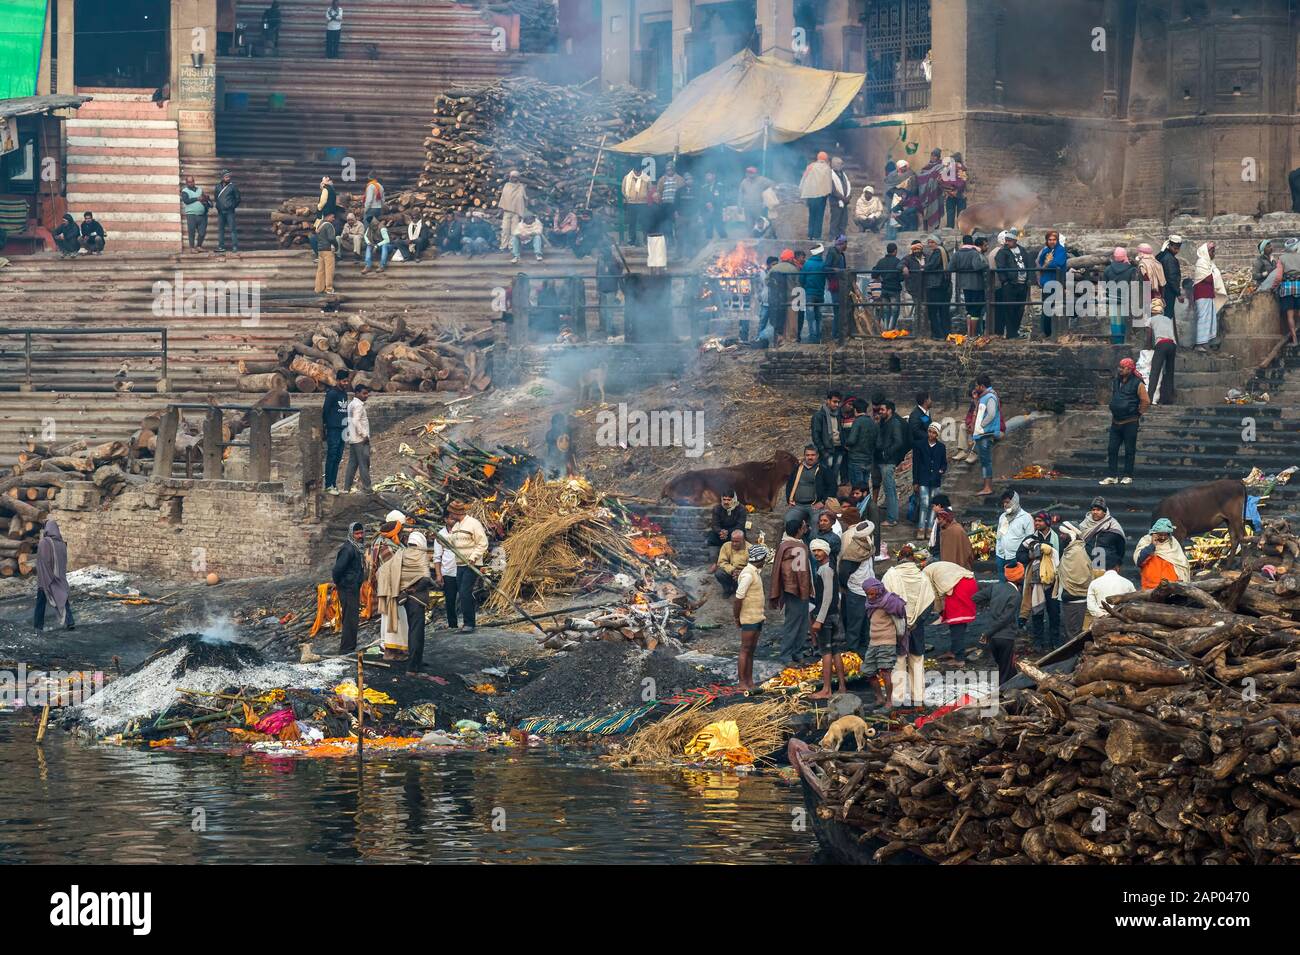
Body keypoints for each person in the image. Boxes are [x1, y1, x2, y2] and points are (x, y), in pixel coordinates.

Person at [881, 545, 935, 706]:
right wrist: (916, 622)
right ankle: (918, 697)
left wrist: (900, 621)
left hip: (897, 625)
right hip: (917, 626)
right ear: (913, 558)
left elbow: (884, 601)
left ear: (899, 559)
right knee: (917, 660)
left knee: (898, 660)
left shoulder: (890, 575)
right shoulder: (922, 577)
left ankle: (897, 698)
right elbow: (929, 602)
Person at [768, 516, 813, 666]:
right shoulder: (796, 547)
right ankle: (787, 655)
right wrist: (798, 587)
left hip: (796, 589)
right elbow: (794, 570)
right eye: (804, 526)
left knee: (801, 622)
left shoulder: (787, 545)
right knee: (794, 623)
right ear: (799, 529)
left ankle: (797, 652)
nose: (806, 528)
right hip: (796, 590)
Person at [1015, 511, 1061, 651]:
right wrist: (1031, 555)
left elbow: (1063, 556)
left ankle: (1055, 641)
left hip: (1053, 581)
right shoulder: (1030, 539)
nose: (1036, 523)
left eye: (1040, 521)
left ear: (1047, 522)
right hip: (1036, 582)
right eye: (1036, 521)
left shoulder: (1057, 539)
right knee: (1037, 611)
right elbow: (1019, 556)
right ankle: (1038, 641)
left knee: (1054, 612)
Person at [1101, 356, 1149, 486]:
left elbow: (1146, 401)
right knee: (1112, 448)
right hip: (1116, 421)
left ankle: (1128, 475)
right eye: (1119, 367)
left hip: (1130, 422)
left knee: (1129, 449)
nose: (1120, 370)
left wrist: (1138, 413)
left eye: (1123, 368)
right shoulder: (1116, 381)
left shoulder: (1138, 383)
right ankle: (1112, 475)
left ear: (1130, 369)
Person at [808, 538, 846, 700]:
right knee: (836, 651)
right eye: (814, 551)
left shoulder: (825, 570)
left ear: (826, 551)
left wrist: (819, 620)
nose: (816, 553)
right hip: (834, 615)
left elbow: (828, 596)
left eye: (819, 550)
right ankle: (842, 686)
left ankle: (826, 689)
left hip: (827, 617)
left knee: (827, 652)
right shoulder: (829, 566)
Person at [861, 578, 906, 708]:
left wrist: (899, 637)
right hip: (873, 641)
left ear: (879, 590)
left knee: (885, 671)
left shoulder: (890, 601)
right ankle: (879, 698)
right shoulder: (870, 603)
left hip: (887, 641)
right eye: (868, 594)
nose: (871, 596)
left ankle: (889, 701)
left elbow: (900, 617)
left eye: (873, 593)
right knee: (868, 671)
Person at [923, 560, 978, 665]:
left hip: (959, 587)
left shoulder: (925, 573)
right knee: (958, 622)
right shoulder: (938, 566)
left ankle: (959, 658)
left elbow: (934, 595)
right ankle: (955, 651)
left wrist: (940, 611)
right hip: (969, 582)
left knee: (956, 623)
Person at [447, 500, 489, 633]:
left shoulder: (473, 524)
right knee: (463, 592)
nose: (449, 515)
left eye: (450, 512)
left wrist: (473, 557)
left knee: (465, 591)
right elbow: (451, 543)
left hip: (472, 564)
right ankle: (468, 622)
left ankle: (469, 624)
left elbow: (483, 543)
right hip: (460, 564)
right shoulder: (456, 526)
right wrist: (439, 539)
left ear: (455, 513)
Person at [974, 568, 1020, 684]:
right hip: (1006, 637)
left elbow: (976, 597)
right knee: (1006, 672)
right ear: (1019, 578)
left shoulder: (996, 587)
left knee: (1002, 668)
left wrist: (992, 605)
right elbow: (1005, 618)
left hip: (993, 638)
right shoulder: (1015, 594)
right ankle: (1004, 695)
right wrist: (987, 633)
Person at [733, 544, 768, 691]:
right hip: (748, 618)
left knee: (751, 651)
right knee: (745, 649)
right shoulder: (748, 574)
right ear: (760, 559)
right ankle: (742, 683)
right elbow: (738, 598)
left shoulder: (755, 572)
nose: (765, 560)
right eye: (764, 558)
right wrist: (736, 618)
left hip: (757, 617)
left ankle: (750, 681)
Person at [398, 531, 433, 672]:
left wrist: (404, 588)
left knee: (414, 629)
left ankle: (417, 661)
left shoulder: (402, 553)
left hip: (405, 598)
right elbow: (425, 578)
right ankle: (412, 666)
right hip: (416, 598)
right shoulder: (421, 556)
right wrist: (416, 588)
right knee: (416, 632)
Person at [1054, 522, 1095, 641]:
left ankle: (1075, 659)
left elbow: (1082, 578)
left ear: (1071, 534)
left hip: (1075, 600)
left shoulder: (1076, 552)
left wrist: (1069, 590)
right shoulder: (1070, 550)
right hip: (1070, 598)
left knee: (1074, 635)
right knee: (1072, 633)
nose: (1061, 536)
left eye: (1063, 534)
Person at [332, 521, 365, 653]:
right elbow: (337, 570)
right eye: (357, 533)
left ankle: (350, 646)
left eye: (361, 532)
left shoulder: (357, 547)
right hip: (347, 588)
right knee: (349, 618)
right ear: (351, 534)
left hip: (353, 587)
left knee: (352, 617)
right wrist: (343, 584)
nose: (360, 535)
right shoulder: (348, 549)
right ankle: (346, 649)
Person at [34, 519, 72, 631]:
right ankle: (70, 622)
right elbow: (63, 561)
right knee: (63, 598)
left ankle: (38, 626)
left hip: (46, 578)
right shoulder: (62, 543)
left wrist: (47, 578)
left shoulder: (45, 542)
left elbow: (43, 561)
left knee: (41, 603)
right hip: (60, 577)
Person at [1135, 517, 1191, 591]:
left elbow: (1182, 564)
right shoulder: (1146, 541)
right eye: (1160, 534)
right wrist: (1152, 545)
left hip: (1171, 587)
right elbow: (1139, 561)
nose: (1163, 537)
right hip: (1150, 587)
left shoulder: (1173, 543)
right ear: (1155, 533)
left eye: (1166, 535)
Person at [912, 422, 946, 541]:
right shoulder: (919, 445)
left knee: (933, 505)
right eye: (929, 431)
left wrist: (941, 470)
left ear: (937, 434)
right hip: (923, 478)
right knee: (924, 503)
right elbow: (915, 464)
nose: (931, 434)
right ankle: (921, 527)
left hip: (935, 479)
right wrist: (915, 481)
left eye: (933, 432)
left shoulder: (941, 447)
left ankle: (931, 527)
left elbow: (944, 463)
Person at [949, 234, 989, 336]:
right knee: (976, 310)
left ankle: (969, 332)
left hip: (964, 285)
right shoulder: (974, 253)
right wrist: (986, 265)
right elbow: (977, 266)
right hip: (977, 285)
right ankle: (973, 333)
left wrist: (961, 269)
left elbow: (951, 268)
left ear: (963, 242)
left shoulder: (957, 254)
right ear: (972, 243)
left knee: (969, 309)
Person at [993, 229, 1029, 338]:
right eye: (1006, 240)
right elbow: (1000, 267)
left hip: (1022, 284)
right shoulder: (1003, 252)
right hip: (1010, 285)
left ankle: (1015, 331)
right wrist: (1005, 281)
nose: (1007, 242)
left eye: (1009, 240)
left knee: (1020, 309)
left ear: (1014, 240)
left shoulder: (1022, 250)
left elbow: (1027, 263)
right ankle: (1011, 333)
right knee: (1010, 310)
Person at [877, 401, 908, 526]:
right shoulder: (885, 422)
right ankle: (891, 517)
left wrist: (886, 453)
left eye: (883, 409)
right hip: (885, 460)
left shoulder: (894, 423)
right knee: (889, 489)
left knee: (890, 490)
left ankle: (891, 518)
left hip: (888, 462)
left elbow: (898, 442)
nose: (880, 411)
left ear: (889, 410)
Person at [785, 445, 835, 520]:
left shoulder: (823, 469)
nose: (810, 457)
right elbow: (789, 484)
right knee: (789, 520)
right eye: (807, 455)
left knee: (817, 522)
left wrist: (823, 502)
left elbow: (832, 487)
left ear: (817, 456)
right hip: (797, 505)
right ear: (804, 456)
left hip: (814, 506)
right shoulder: (798, 468)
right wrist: (789, 499)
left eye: (813, 455)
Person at [1101, 246, 1140, 344]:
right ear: (1124, 257)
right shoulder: (1131, 270)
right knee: (1125, 321)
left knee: (1115, 322)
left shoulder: (1108, 269)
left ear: (1114, 257)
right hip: (1126, 301)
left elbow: (1103, 285)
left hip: (1113, 300)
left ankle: (1116, 343)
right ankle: (1125, 342)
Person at [1192, 241, 1226, 350]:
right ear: (1206, 252)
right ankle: (1199, 343)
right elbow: (1207, 278)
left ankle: (1204, 341)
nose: (1213, 254)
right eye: (1212, 251)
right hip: (1202, 294)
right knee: (1203, 318)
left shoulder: (1209, 263)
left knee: (1208, 318)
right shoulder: (1201, 262)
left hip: (1208, 294)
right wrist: (1215, 273)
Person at [1086, 554, 1135, 628]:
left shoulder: (1094, 583)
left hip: (1100, 623)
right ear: (1117, 568)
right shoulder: (1128, 583)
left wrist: (1102, 616)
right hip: (1121, 623)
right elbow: (1134, 603)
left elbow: (1091, 606)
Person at [1079, 496, 1126, 571]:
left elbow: (1120, 549)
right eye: (1093, 510)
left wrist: (1117, 563)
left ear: (1104, 512)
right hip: (1086, 567)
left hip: (1107, 568)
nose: (1095, 512)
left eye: (1098, 510)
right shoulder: (1084, 525)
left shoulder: (1113, 526)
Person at [971, 373, 1000, 495]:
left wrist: (981, 425)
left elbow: (992, 414)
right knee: (983, 460)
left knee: (986, 461)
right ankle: (986, 486)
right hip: (982, 434)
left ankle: (988, 487)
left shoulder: (990, 397)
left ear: (982, 386)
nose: (975, 388)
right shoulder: (983, 397)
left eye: (977, 385)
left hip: (985, 434)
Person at [321, 368, 350, 492]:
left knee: (338, 457)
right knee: (331, 456)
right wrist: (325, 427)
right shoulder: (332, 394)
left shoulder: (344, 394)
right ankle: (328, 485)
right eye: (343, 381)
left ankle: (334, 483)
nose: (345, 383)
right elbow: (325, 411)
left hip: (343, 429)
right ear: (338, 380)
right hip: (333, 429)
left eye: (347, 381)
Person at [842, 397, 878, 493]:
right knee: (865, 488)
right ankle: (866, 506)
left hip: (856, 459)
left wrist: (846, 444)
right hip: (868, 459)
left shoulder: (857, 421)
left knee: (857, 489)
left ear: (855, 410)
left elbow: (852, 440)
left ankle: (859, 507)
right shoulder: (872, 422)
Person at [1036, 230, 1068, 338]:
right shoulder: (1046, 251)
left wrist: (1046, 265)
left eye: (1054, 239)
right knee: (1046, 308)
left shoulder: (1061, 250)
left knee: (1056, 308)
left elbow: (1058, 263)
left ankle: (1055, 332)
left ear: (1057, 240)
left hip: (1056, 283)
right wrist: (1044, 265)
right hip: (1046, 282)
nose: (1052, 242)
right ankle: (1046, 332)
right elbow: (1040, 262)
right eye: (1050, 240)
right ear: (1047, 240)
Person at [995, 490, 1034, 577]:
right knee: (1003, 585)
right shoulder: (1003, 517)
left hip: (1016, 558)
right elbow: (999, 536)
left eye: (1007, 502)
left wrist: (1022, 557)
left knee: (1017, 585)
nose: (1005, 505)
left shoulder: (1026, 518)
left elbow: (1030, 539)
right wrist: (998, 552)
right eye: (1004, 502)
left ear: (1015, 501)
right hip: (1001, 557)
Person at [1148, 295, 1178, 405]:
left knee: (1155, 372)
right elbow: (1173, 333)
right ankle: (1168, 399)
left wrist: (1149, 348)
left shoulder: (1151, 320)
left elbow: (1149, 336)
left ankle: (1149, 399)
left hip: (1161, 345)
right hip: (1172, 345)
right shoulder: (1168, 319)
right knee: (1169, 372)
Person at [432, 512, 460, 629]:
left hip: (462, 569)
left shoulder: (462, 532)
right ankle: (453, 625)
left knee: (466, 596)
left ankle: (469, 623)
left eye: (455, 517)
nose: (453, 520)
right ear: (445, 519)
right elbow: (437, 557)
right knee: (450, 600)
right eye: (451, 518)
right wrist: (439, 575)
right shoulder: (440, 535)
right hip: (448, 572)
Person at [766, 249, 800, 345]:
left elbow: (767, 281)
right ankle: (791, 340)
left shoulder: (774, 268)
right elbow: (797, 284)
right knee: (792, 320)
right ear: (790, 258)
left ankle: (781, 340)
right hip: (791, 298)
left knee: (780, 320)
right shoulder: (793, 269)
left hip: (777, 299)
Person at [342, 383, 371, 492]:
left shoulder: (352, 404)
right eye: (364, 393)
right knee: (364, 464)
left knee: (352, 465)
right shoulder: (358, 405)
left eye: (367, 393)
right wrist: (364, 434)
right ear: (357, 393)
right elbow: (355, 421)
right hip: (360, 440)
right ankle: (368, 489)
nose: (366, 395)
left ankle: (346, 488)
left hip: (353, 439)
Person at [811, 391, 844, 486]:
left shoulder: (838, 415)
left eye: (838, 402)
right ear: (828, 401)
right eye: (834, 402)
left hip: (838, 449)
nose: (837, 404)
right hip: (827, 450)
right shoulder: (819, 416)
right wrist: (822, 450)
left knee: (835, 476)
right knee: (825, 476)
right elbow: (815, 435)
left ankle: (832, 497)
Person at [1273, 237, 1300, 347]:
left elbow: (1279, 277)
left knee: (1290, 316)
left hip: (1287, 288)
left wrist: (1273, 287)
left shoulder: (1282, 258)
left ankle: (1295, 340)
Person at [799, 151, 832, 240]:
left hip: (811, 195)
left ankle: (810, 235)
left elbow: (804, 179)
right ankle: (817, 235)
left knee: (812, 214)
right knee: (819, 215)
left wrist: (802, 190)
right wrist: (829, 193)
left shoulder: (810, 166)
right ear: (826, 159)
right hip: (822, 196)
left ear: (818, 158)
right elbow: (829, 183)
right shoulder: (827, 168)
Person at [923, 234, 951, 339]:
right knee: (943, 311)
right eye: (929, 242)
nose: (930, 244)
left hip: (936, 285)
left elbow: (931, 265)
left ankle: (938, 334)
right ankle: (945, 333)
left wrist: (922, 267)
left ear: (937, 242)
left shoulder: (938, 252)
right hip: (942, 285)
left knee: (934, 311)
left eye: (932, 242)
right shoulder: (942, 251)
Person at [871, 242, 904, 331]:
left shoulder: (881, 261)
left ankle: (886, 330)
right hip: (894, 290)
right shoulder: (898, 262)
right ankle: (891, 329)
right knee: (895, 310)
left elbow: (874, 275)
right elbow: (901, 278)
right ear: (895, 251)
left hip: (884, 289)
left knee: (886, 310)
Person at [707, 491, 746, 563]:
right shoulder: (717, 508)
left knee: (739, 535)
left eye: (729, 500)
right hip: (721, 533)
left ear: (734, 500)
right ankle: (714, 563)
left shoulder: (741, 509)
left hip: (735, 532)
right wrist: (720, 531)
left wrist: (727, 532)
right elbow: (715, 524)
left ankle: (735, 561)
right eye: (724, 499)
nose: (726, 502)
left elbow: (740, 525)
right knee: (712, 537)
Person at [800, 244, 828, 342]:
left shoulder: (807, 264)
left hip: (809, 294)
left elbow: (801, 279)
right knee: (818, 316)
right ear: (820, 253)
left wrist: (805, 287)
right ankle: (819, 336)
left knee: (810, 316)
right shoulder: (823, 265)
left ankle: (812, 337)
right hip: (820, 293)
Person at [711, 528, 748, 597]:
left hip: (743, 574)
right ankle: (727, 589)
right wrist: (732, 570)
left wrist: (741, 572)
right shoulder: (726, 546)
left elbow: (752, 566)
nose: (734, 544)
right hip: (730, 572)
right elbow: (721, 562)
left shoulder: (750, 548)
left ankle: (738, 589)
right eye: (732, 541)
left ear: (743, 540)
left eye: (737, 541)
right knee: (719, 573)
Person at [497, 170, 528, 251]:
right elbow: (503, 198)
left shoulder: (521, 187)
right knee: (505, 229)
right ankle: (503, 246)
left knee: (514, 231)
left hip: (516, 213)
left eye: (515, 177)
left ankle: (511, 246)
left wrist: (522, 210)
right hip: (507, 211)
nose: (513, 179)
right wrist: (501, 209)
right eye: (512, 177)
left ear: (517, 178)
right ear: (510, 177)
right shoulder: (506, 185)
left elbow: (524, 198)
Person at [309, 176, 339, 259]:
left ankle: (319, 255)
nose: (321, 184)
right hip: (331, 213)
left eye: (323, 182)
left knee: (317, 234)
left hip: (324, 214)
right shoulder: (332, 190)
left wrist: (319, 207)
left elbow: (323, 202)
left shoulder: (326, 189)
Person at [737, 165, 774, 233]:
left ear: (756, 173)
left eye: (752, 173)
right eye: (748, 173)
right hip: (747, 207)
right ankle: (751, 239)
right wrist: (739, 205)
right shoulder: (744, 182)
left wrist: (767, 197)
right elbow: (740, 194)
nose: (750, 174)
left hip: (758, 206)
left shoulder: (762, 180)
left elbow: (772, 184)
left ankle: (760, 239)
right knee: (749, 224)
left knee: (760, 224)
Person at [916, 148, 945, 232]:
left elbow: (941, 177)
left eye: (935, 156)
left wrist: (932, 178)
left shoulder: (941, 166)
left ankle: (936, 229)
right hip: (925, 193)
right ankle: (925, 229)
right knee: (925, 210)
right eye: (932, 155)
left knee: (937, 208)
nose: (933, 157)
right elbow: (920, 176)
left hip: (937, 192)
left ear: (938, 157)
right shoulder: (926, 166)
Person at [621, 165, 650, 245]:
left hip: (642, 203)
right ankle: (632, 240)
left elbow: (649, 189)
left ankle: (645, 240)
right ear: (633, 170)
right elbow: (623, 189)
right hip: (631, 203)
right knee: (632, 222)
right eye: (636, 172)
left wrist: (644, 196)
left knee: (644, 222)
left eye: (639, 172)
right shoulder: (627, 177)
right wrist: (628, 197)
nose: (637, 173)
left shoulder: (646, 178)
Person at [902, 239, 927, 332]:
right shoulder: (908, 258)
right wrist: (904, 267)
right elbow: (900, 264)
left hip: (926, 286)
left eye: (918, 249)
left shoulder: (927, 257)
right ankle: (917, 330)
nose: (916, 251)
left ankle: (925, 329)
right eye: (914, 249)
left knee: (925, 308)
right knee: (918, 308)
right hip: (914, 287)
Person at [1156, 235, 1184, 318]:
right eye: (1175, 248)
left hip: (1161, 290)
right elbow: (1172, 278)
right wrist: (1178, 293)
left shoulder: (1162, 255)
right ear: (1170, 246)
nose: (1177, 250)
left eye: (1178, 248)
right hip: (1168, 291)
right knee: (1167, 315)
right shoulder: (1169, 259)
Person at [214, 170, 241, 253]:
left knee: (232, 229)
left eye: (229, 176)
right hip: (220, 212)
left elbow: (238, 199)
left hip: (230, 212)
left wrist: (232, 206)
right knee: (221, 229)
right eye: (226, 176)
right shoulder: (218, 186)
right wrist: (218, 206)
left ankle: (235, 247)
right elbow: (216, 197)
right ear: (222, 177)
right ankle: (221, 247)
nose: (228, 178)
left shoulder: (233, 187)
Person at [656, 161, 683, 240]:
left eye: (670, 169)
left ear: (673, 170)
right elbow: (659, 191)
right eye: (667, 170)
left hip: (675, 204)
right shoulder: (662, 179)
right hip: (665, 204)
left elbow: (682, 191)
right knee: (667, 223)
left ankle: (678, 239)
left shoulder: (679, 179)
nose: (669, 171)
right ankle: (670, 239)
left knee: (676, 222)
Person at [941, 151, 968, 228]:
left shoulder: (949, 168)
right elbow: (963, 181)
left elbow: (942, 180)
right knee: (961, 214)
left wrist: (950, 188)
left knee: (951, 213)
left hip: (951, 194)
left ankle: (950, 228)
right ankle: (960, 229)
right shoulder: (962, 168)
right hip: (960, 194)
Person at [180, 176, 208, 252]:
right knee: (191, 231)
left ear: (194, 181)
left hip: (202, 215)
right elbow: (186, 201)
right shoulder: (184, 191)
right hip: (191, 214)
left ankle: (199, 246)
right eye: (189, 182)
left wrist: (206, 199)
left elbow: (204, 198)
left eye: (192, 181)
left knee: (202, 232)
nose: (191, 183)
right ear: (186, 183)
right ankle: (192, 248)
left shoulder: (199, 189)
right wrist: (197, 198)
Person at [827, 157, 852, 239]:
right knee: (835, 221)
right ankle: (832, 237)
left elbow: (848, 185)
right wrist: (842, 198)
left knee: (843, 221)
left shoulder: (843, 174)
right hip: (836, 202)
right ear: (834, 165)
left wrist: (848, 197)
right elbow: (833, 190)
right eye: (840, 163)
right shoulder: (830, 175)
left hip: (844, 202)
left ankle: (841, 238)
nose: (842, 165)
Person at [314, 212, 337, 293]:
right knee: (329, 270)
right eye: (333, 217)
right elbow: (331, 238)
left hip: (320, 250)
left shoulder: (319, 224)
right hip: (328, 250)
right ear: (329, 216)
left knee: (320, 270)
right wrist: (336, 245)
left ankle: (318, 289)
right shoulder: (328, 225)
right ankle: (329, 289)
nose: (333, 219)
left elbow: (315, 237)